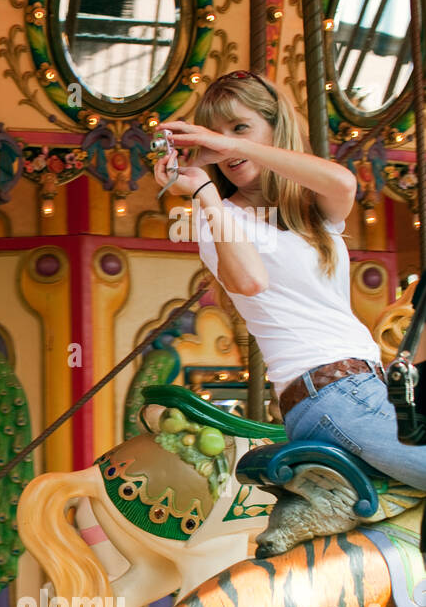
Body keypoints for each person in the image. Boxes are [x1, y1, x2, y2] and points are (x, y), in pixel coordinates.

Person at [154, 69, 426, 488]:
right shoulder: (220, 218)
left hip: (369, 384)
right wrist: (204, 192)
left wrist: (232, 144)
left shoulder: (310, 208)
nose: (226, 144)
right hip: (328, 394)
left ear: (274, 128)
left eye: (241, 127)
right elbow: (249, 281)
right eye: (216, 134)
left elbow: (342, 182)